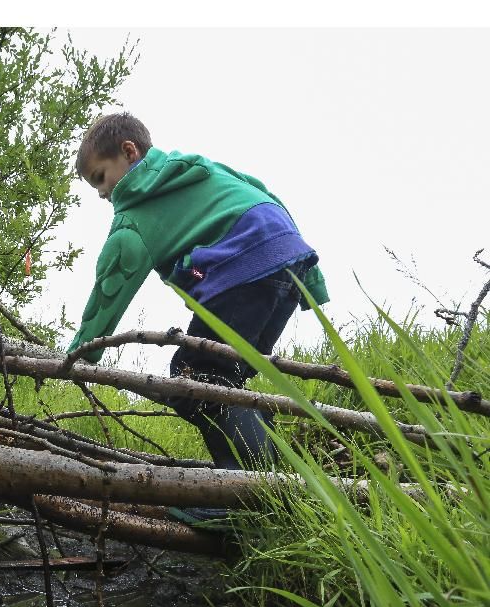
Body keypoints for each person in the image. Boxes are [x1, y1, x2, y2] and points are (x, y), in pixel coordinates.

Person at [66, 113, 329, 524]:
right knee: (224, 382)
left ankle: (250, 498)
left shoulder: (136, 208)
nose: (102, 193)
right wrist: (310, 280)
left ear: (129, 152)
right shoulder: (199, 168)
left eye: (101, 178)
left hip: (245, 270)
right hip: (285, 268)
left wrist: (79, 356)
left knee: (195, 379)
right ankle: (272, 483)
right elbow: (263, 196)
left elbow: (109, 290)